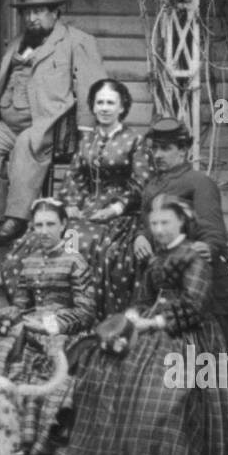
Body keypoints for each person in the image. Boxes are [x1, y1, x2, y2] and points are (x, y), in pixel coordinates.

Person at [55, 195, 228, 455]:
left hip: (187, 334)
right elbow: (142, 297)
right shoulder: (156, 259)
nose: (158, 229)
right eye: (154, 224)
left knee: (163, 391)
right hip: (150, 326)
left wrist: (155, 322)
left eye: (165, 223)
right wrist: (131, 319)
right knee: (103, 364)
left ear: (181, 223)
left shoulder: (193, 257)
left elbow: (195, 305)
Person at [0, 0, 107, 245]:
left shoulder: (76, 41)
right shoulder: (16, 43)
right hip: (10, 122)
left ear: (55, 12)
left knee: (25, 143)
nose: (32, 17)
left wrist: (85, 132)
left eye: (38, 11)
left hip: (51, 124)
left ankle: (16, 220)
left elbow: (91, 87)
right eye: (27, 12)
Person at [0, 198, 97, 455]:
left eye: (50, 225)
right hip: (29, 326)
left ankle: (29, 437)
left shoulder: (75, 262)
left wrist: (49, 324)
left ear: (64, 225)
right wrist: (10, 316)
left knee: (39, 371)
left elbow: (86, 312)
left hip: (63, 331)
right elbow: (21, 304)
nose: (44, 231)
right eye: (38, 225)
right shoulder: (29, 262)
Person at [134, 116, 228, 428]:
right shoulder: (152, 186)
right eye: (155, 149)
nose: (159, 155)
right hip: (170, 284)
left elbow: (214, 237)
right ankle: (193, 423)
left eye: (167, 148)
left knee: (223, 356)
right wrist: (141, 237)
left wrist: (204, 249)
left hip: (205, 284)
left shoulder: (199, 182)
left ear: (183, 150)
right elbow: (147, 224)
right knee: (183, 357)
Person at [55, 77, 150, 316]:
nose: (105, 108)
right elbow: (74, 176)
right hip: (86, 210)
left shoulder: (135, 140)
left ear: (122, 107)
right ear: (93, 106)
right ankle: (61, 306)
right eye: (100, 103)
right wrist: (71, 204)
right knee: (54, 238)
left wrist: (116, 208)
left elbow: (142, 182)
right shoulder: (87, 140)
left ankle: (90, 311)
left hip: (120, 214)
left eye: (110, 102)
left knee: (84, 243)